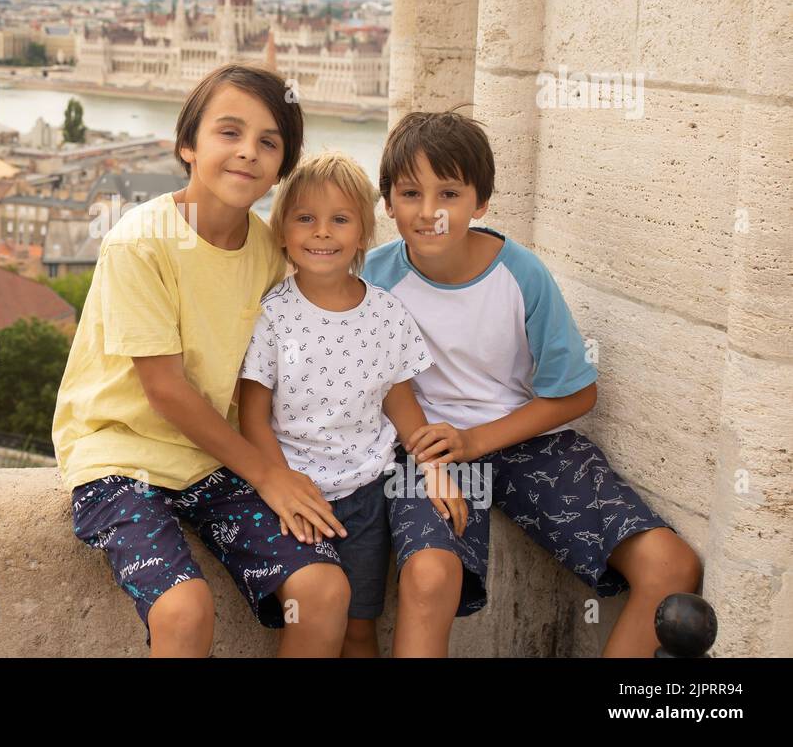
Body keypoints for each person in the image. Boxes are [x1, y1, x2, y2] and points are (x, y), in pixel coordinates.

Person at [361, 110, 703, 657]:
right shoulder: (372, 279)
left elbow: (575, 392)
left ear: (481, 202)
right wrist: (441, 453)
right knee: (428, 577)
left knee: (671, 564)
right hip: (423, 449)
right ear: (387, 203)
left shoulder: (521, 274)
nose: (430, 213)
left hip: (522, 439)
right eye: (409, 193)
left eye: (449, 193)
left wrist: (477, 440)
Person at [53, 63, 351, 658]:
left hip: (210, 457)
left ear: (282, 165)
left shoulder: (270, 248)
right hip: (120, 455)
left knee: (324, 588)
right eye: (229, 133)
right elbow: (164, 389)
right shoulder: (141, 242)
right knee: (185, 609)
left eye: (268, 142)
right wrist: (267, 473)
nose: (248, 153)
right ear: (188, 145)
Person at [237, 150, 463, 658]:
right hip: (295, 488)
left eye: (339, 220)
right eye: (306, 219)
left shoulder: (387, 313)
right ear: (283, 232)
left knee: (360, 628)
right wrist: (282, 488)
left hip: (367, 494)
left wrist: (432, 468)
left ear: (362, 233)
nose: (322, 233)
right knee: (314, 619)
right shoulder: (271, 315)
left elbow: (399, 400)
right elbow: (253, 416)